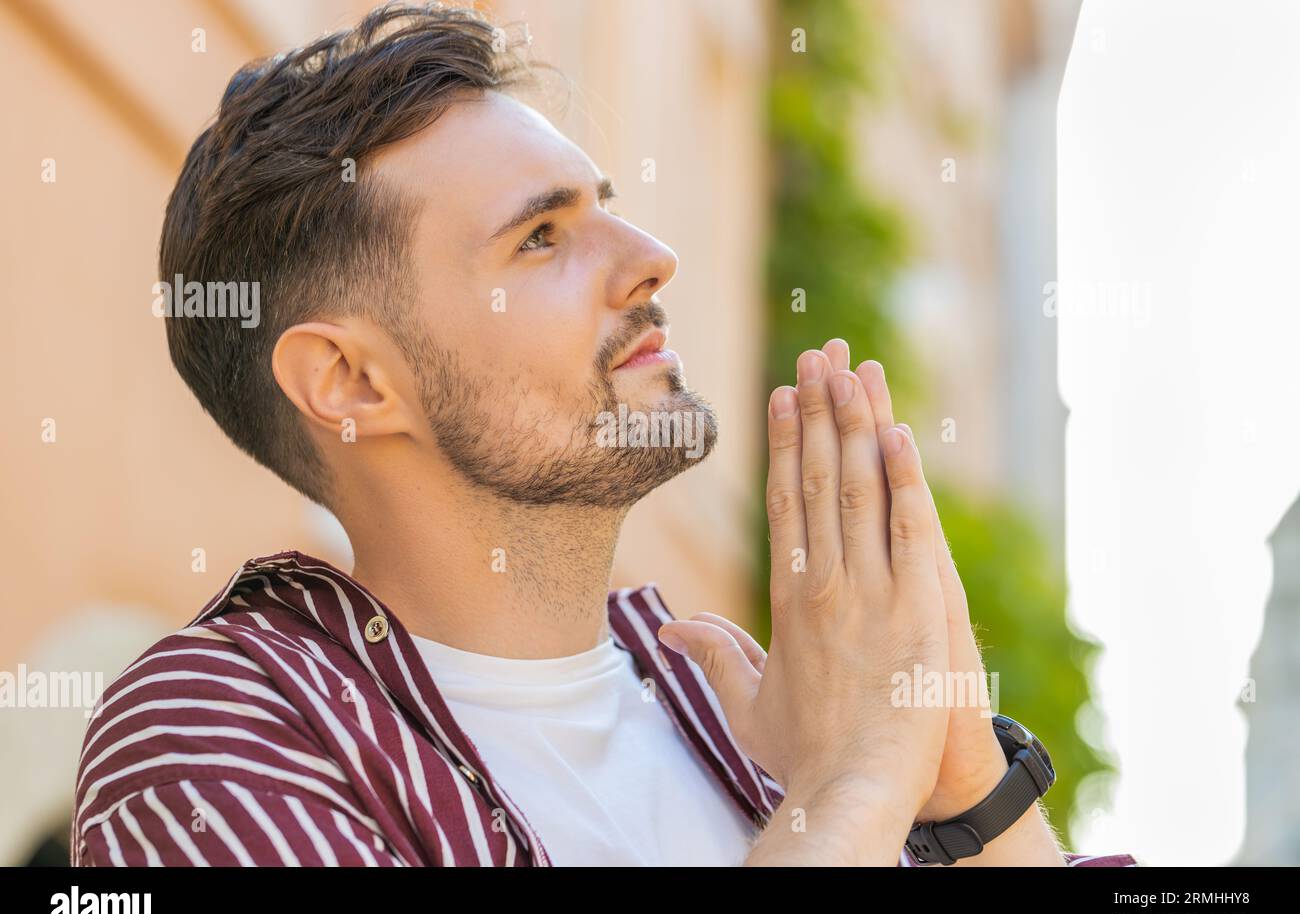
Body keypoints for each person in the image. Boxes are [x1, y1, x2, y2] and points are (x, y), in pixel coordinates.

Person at [72, 3, 1134, 867]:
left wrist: (963, 795)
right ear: (350, 379)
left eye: (605, 208)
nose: (653, 255)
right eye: (541, 237)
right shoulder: (212, 734)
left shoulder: (731, 706)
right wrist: (852, 787)